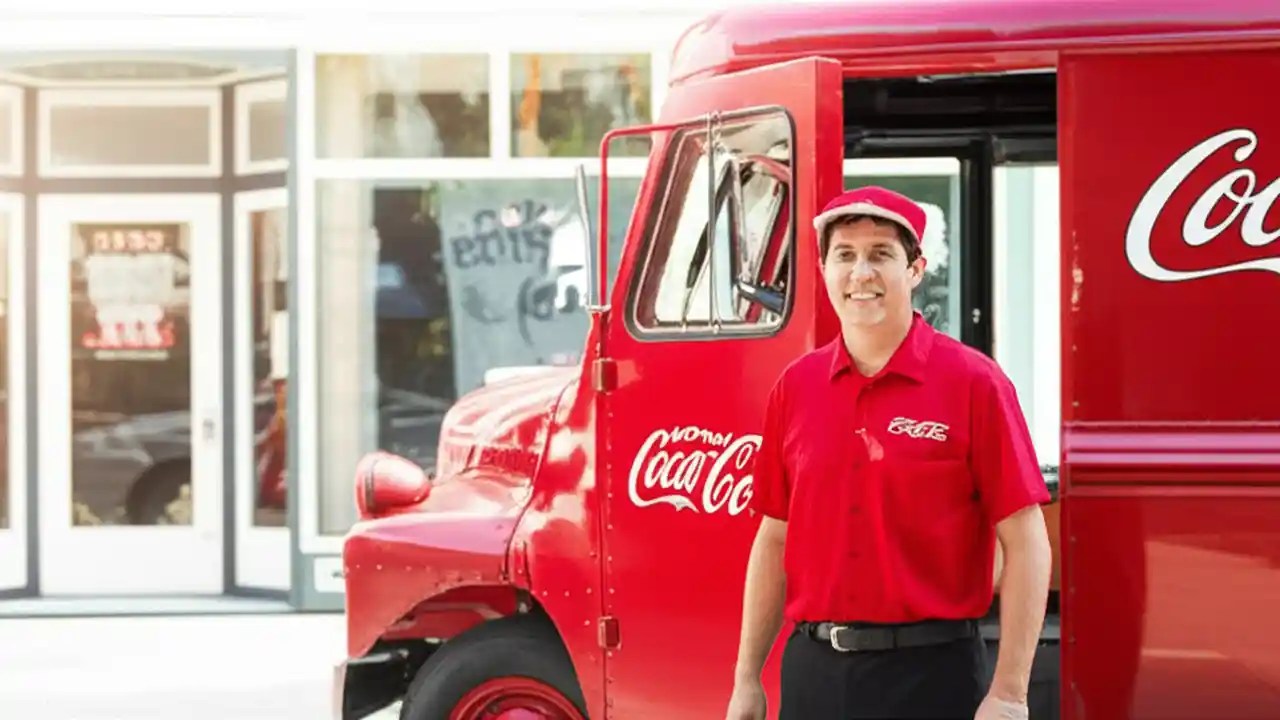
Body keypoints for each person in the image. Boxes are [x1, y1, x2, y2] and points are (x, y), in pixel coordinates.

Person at [725, 186, 1052, 720]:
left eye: (881, 254)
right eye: (844, 255)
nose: (860, 273)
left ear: (916, 269)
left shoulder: (975, 383)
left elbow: (1027, 539)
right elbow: (773, 538)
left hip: (934, 678)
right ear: (824, 269)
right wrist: (746, 678)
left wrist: (1010, 692)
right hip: (814, 678)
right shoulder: (795, 387)